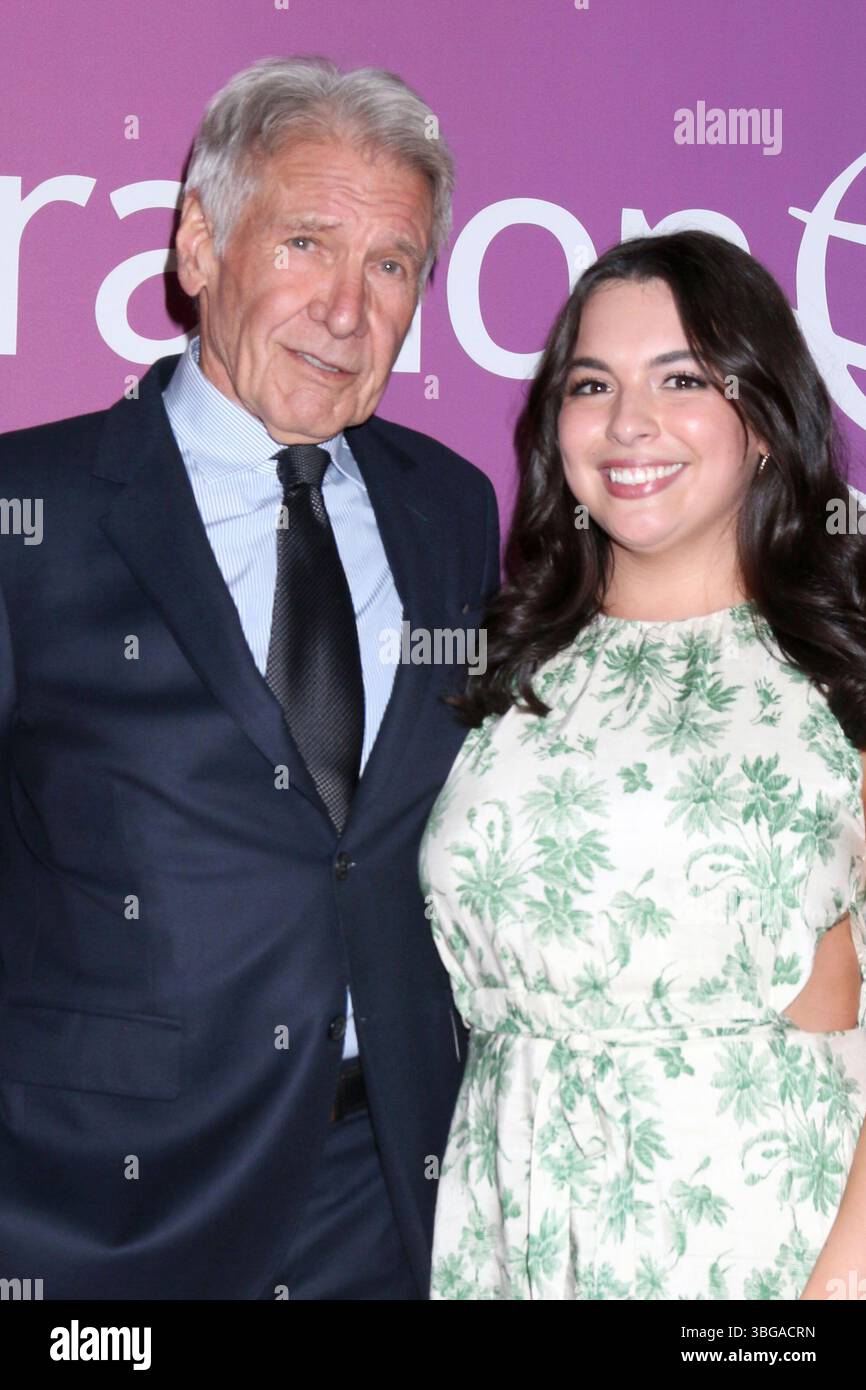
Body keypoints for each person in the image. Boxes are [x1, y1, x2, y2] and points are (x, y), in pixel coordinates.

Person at [0, 56, 499, 1300]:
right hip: (95, 1204)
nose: (347, 306)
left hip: (383, 1198)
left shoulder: (451, 507)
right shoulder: (31, 508)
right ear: (199, 247)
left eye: (390, 265)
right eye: (307, 243)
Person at [419, 228, 866, 1300]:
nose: (627, 424)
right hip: (513, 1236)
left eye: (679, 378)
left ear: (761, 419)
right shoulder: (504, 667)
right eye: (590, 384)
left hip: (756, 1258)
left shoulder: (838, 677)